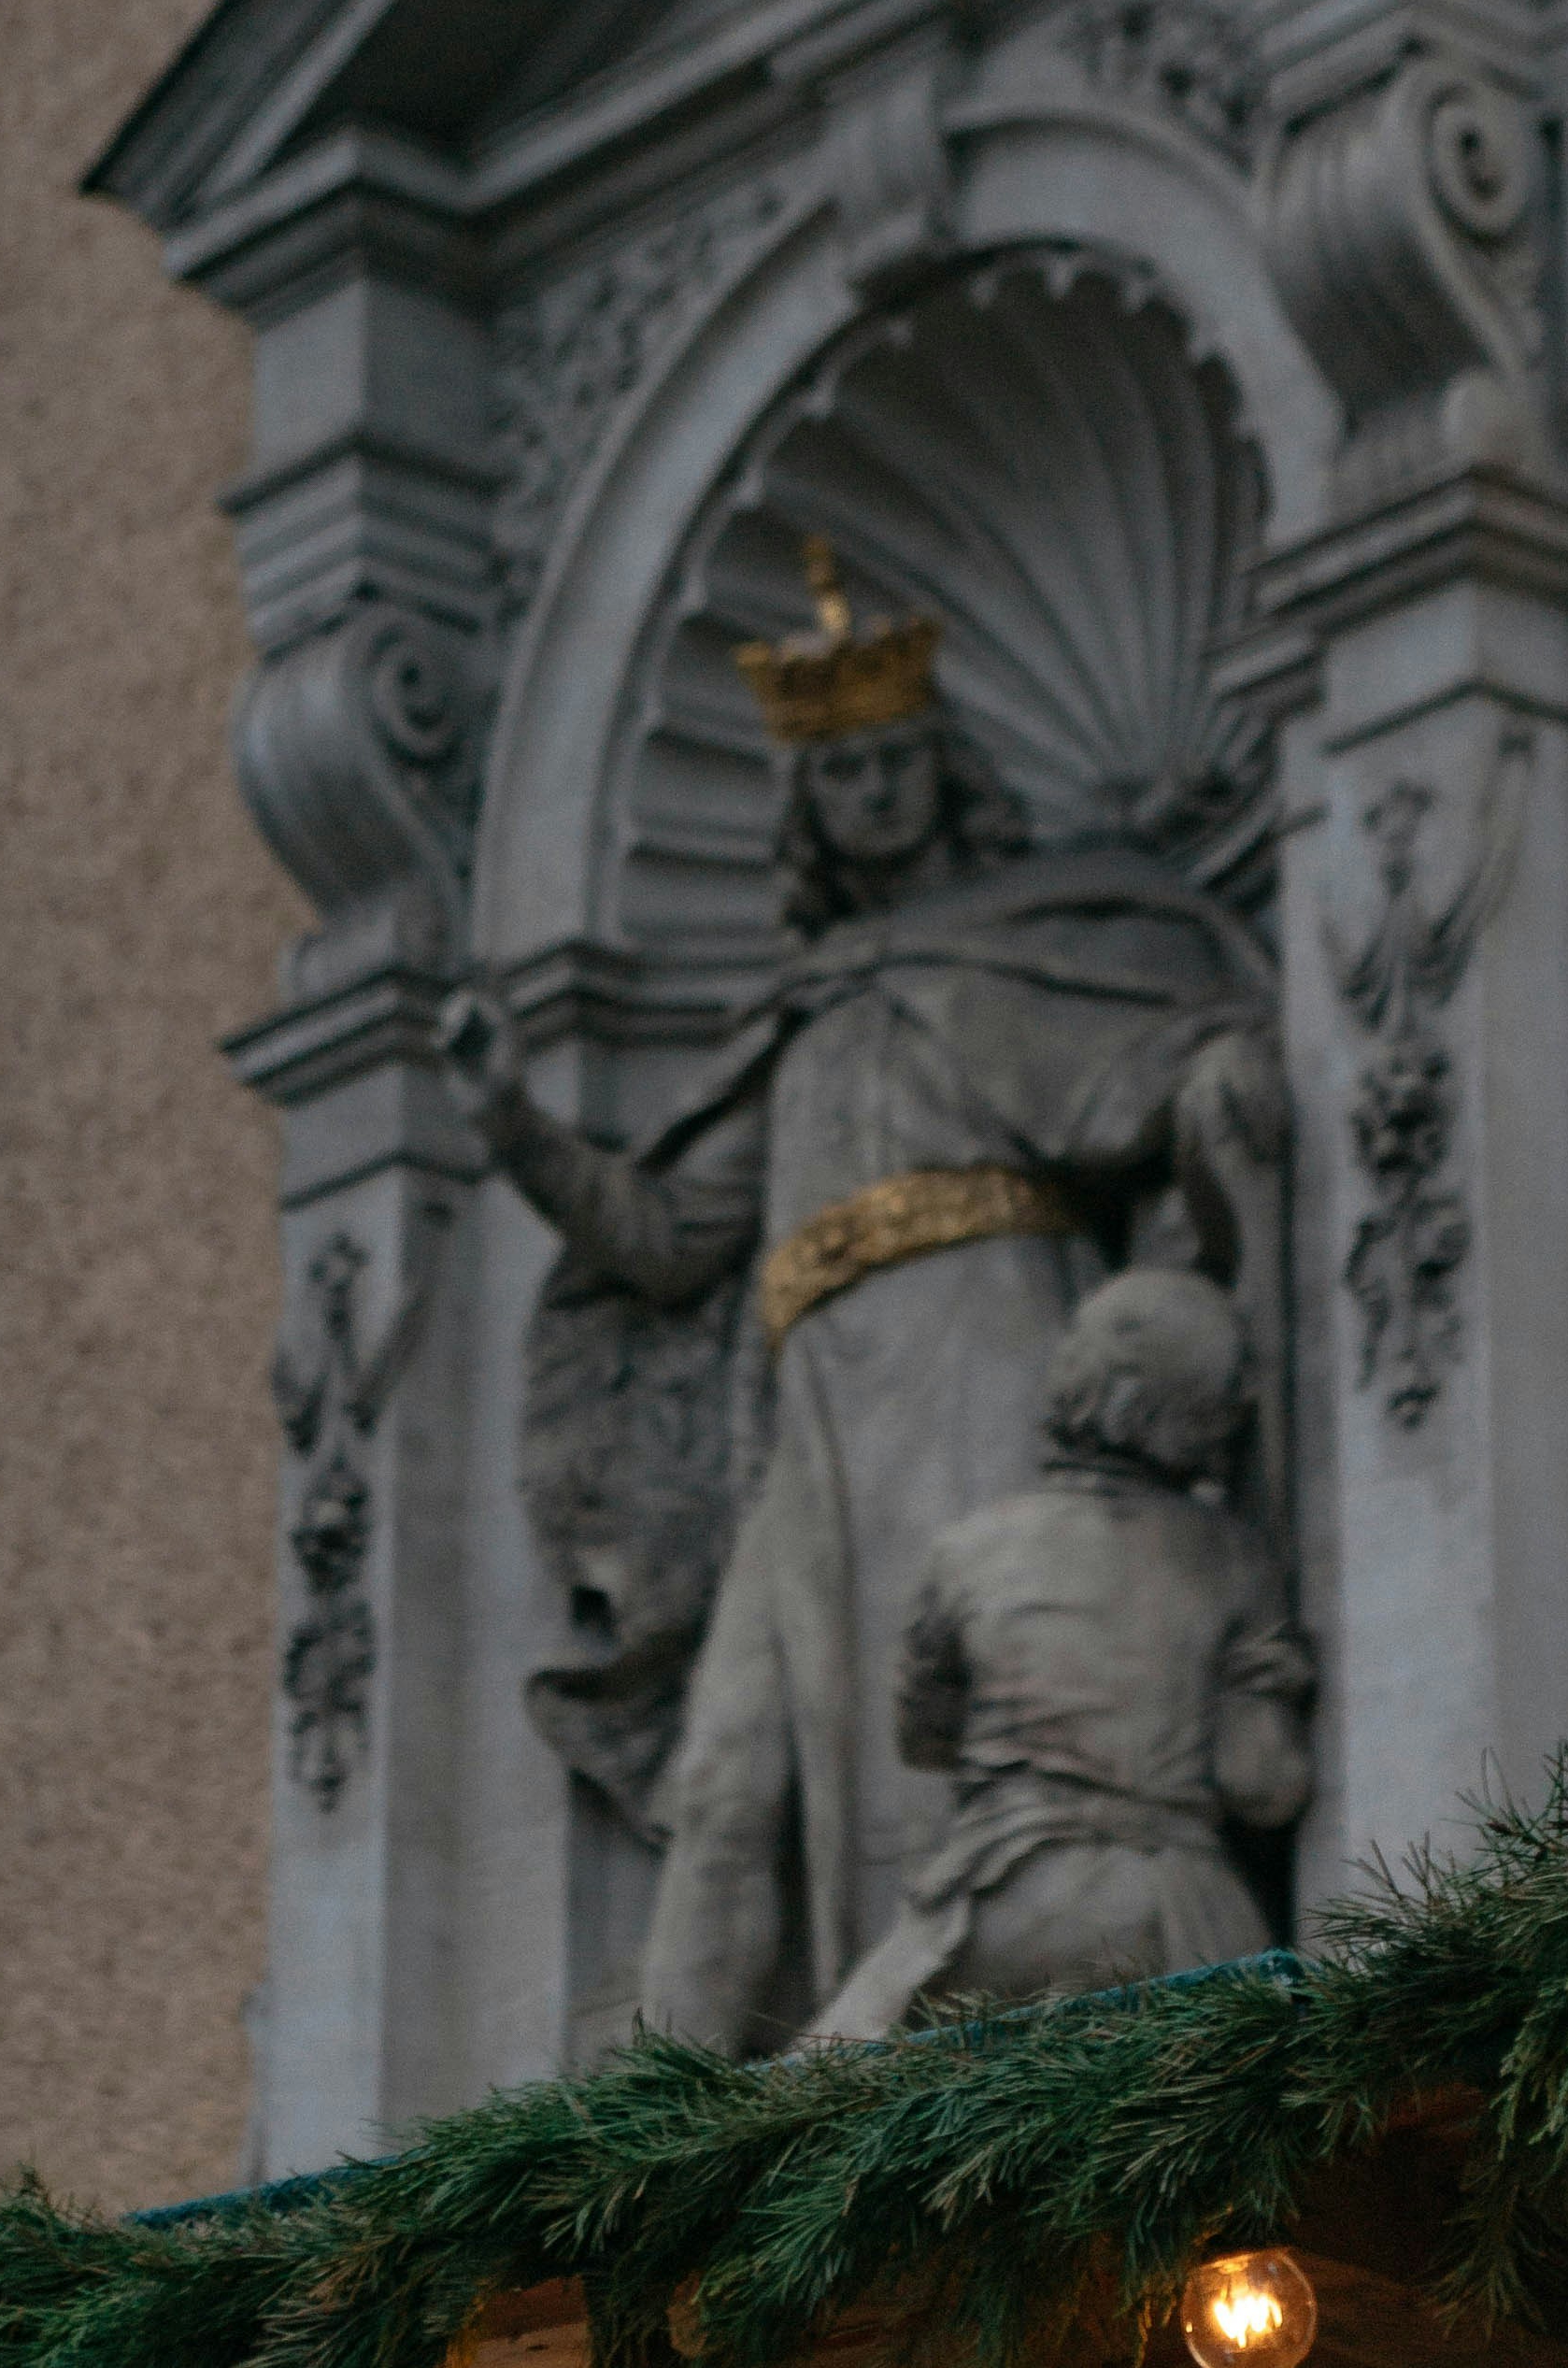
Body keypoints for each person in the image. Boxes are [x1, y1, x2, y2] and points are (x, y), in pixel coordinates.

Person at [445, 541, 1285, 2048]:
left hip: (986, 1345)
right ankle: (653, 2151)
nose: (879, 793)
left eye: (901, 760)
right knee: (726, 1775)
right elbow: (661, 1235)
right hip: (816, 1417)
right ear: (808, 808)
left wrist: (1221, 1094)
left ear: (942, 768)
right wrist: (511, 1122)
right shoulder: (801, 1009)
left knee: (953, 1743)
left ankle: (951, 2071)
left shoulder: (1030, 942)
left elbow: (1167, 1068)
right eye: (847, 774)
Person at [815, 1268, 1315, 2037]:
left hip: (1015, 1894)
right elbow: (1263, 1783)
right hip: (1188, 1914)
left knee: (803, 2103)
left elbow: (922, 1736)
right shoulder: (1236, 1558)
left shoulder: (968, 1549)